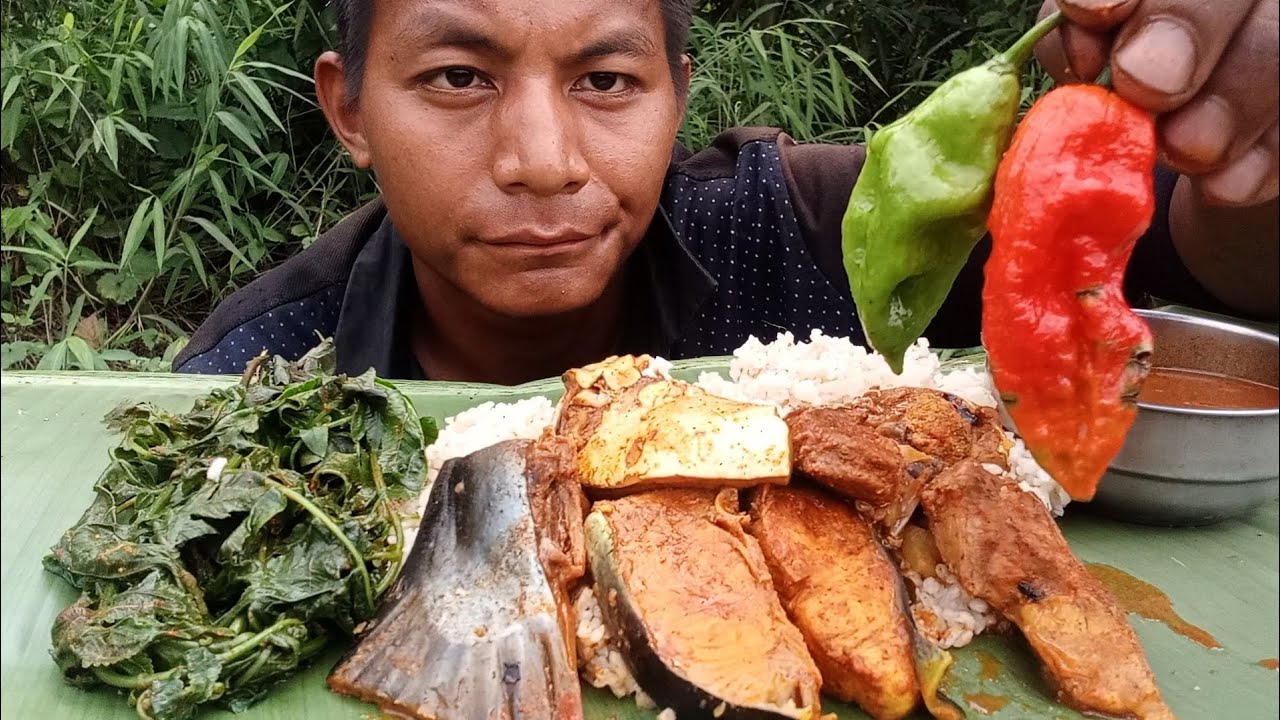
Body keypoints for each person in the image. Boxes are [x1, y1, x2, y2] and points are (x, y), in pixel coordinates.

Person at [174, 0, 1279, 385]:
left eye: (607, 80)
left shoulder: (809, 232)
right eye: (459, 78)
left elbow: (1190, 258)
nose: (543, 161)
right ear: (350, 108)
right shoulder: (252, 380)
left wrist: (1245, 150)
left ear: (677, 96)